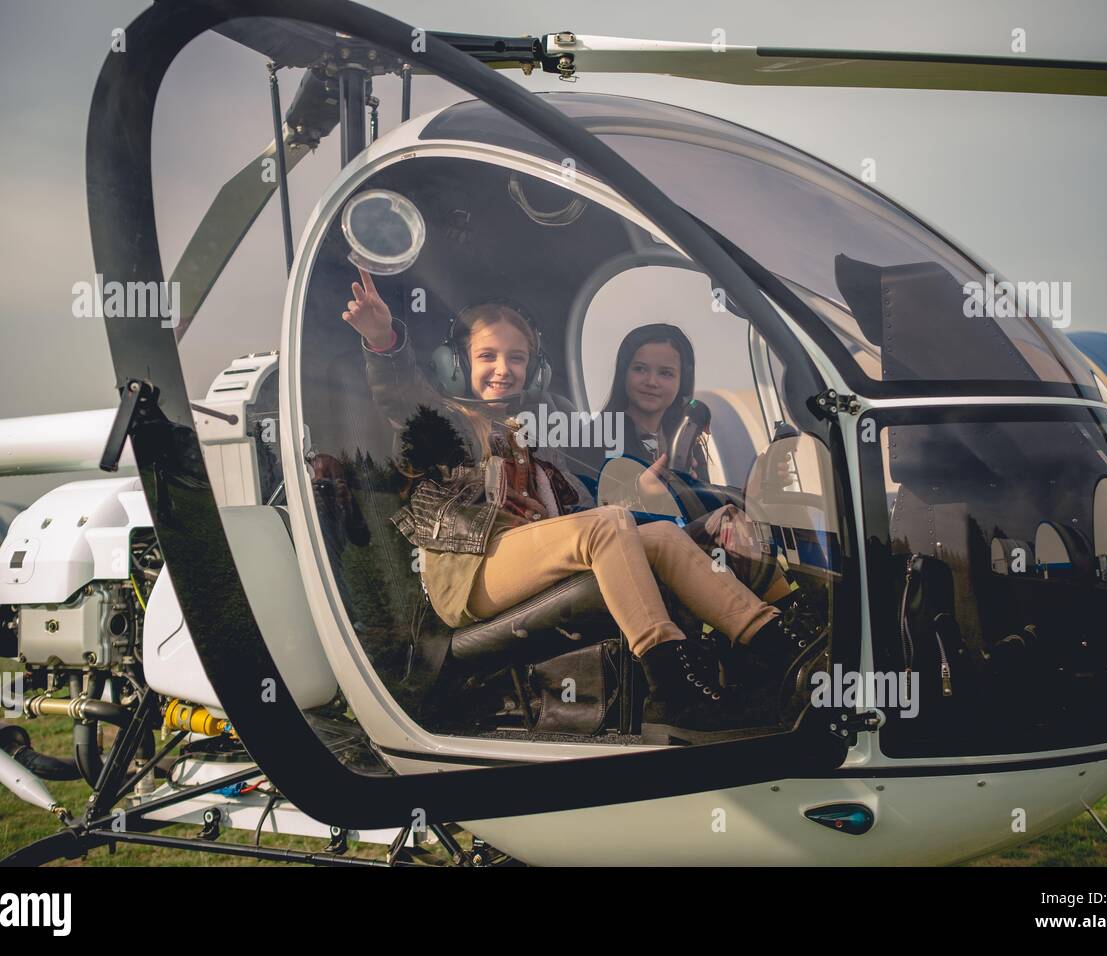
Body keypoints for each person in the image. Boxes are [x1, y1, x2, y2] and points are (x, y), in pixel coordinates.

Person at [341, 269, 797, 739]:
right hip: (471, 572)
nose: (504, 368)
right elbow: (401, 395)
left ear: (534, 369)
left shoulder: (542, 428)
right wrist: (383, 340)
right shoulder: (445, 422)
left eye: (516, 358)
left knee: (659, 536)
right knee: (605, 524)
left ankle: (782, 652)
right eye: (487, 356)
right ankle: (674, 690)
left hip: (530, 556)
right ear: (455, 364)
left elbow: (590, 506)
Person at [592, 323, 795, 605]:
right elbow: (584, 512)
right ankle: (788, 616)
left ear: (681, 381)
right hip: (635, 550)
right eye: (640, 369)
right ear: (623, 372)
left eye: (665, 373)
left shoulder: (685, 437)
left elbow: (700, 500)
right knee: (730, 522)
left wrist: (757, 487)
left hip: (690, 545)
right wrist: (639, 494)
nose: (651, 381)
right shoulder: (594, 434)